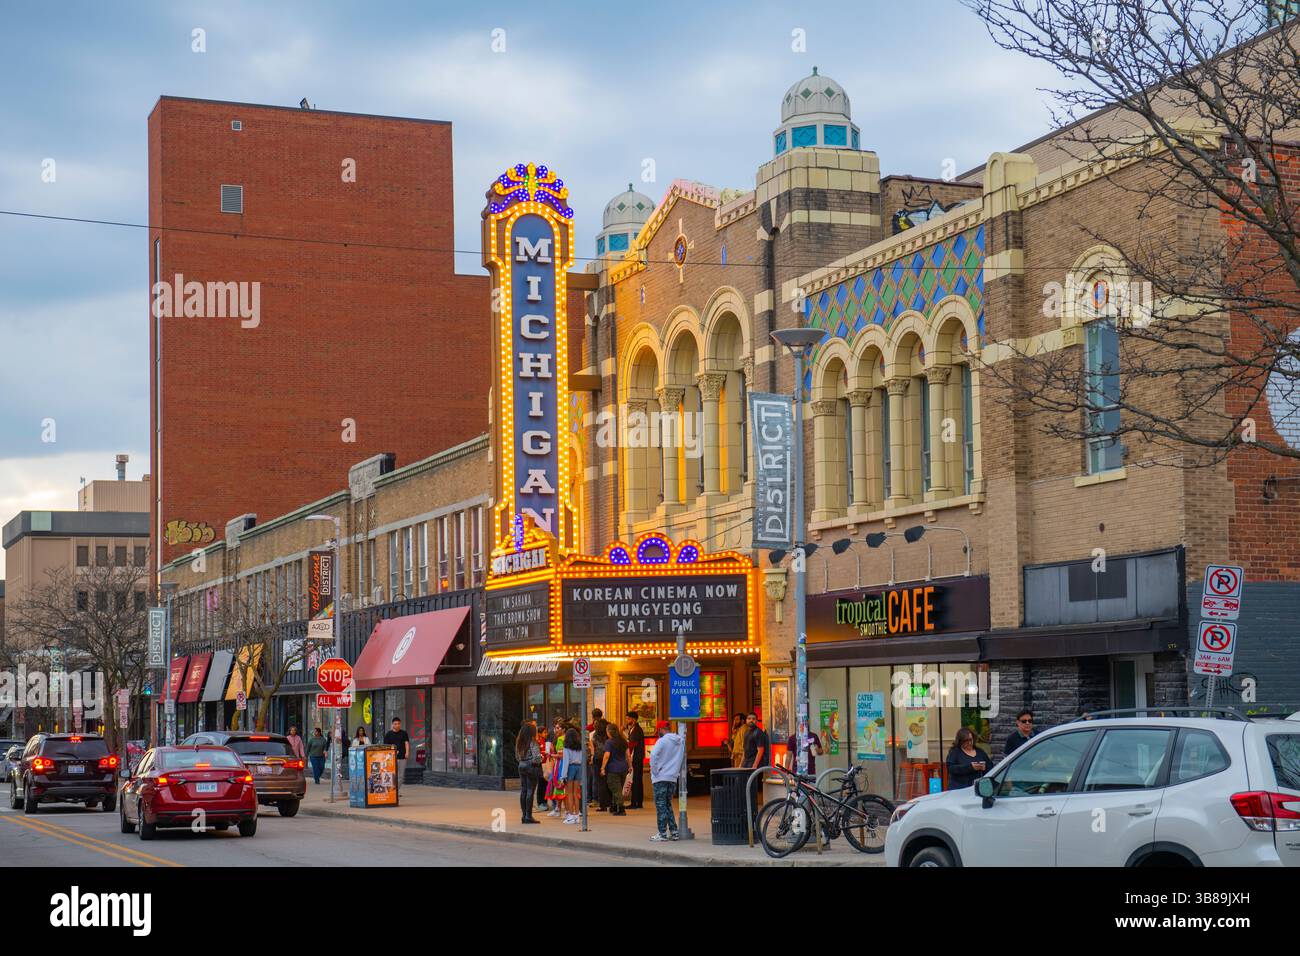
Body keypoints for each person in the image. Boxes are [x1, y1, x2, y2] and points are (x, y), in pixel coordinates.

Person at [649, 721, 685, 842]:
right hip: (672, 777)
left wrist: (655, 771)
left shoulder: (662, 741)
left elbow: (653, 755)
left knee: (660, 806)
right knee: (667, 805)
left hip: (660, 777)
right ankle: (674, 831)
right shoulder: (680, 741)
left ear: (660, 729)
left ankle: (662, 833)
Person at [515, 722, 542, 824]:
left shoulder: (519, 741)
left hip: (521, 765)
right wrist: (539, 759)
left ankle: (523, 815)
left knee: (524, 790)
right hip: (530, 766)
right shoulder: (532, 741)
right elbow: (537, 757)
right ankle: (529, 816)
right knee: (530, 790)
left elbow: (517, 757)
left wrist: (523, 761)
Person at [601, 722, 630, 816]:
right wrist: (630, 766)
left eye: (607, 731)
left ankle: (621, 809)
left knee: (615, 789)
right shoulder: (623, 741)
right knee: (618, 788)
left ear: (609, 732)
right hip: (623, 768)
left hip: (613, 768)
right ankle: (614, 806)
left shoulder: (609, 742)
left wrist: (602, 768)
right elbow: (628, 755)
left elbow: (606, 755)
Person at [561, 721, 584, 824]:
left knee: (569, 793)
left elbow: (565, 761)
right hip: (578, 768)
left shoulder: (566, 747)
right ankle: (577, 815)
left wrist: (563, 776)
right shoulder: (580, 746)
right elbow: (582, 760)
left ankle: (570, 816)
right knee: (576, 793)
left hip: (570, 768)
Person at [590, 715, 612, 811]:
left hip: (598, 759)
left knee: (600, 782)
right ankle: (610, 802)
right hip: (608, 758)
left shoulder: (595, 735)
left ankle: (603, 804)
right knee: (608, 781)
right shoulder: (608, 736)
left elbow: (593, 748)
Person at [625, 711, 646, 809]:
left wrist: (627, 756)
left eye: (628, 718)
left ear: (633, 719)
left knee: (636, 780)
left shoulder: (637, 730)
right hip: (636, 758)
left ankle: (636, 802)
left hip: (636, 758)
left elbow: (632, 744)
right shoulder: (632, 729)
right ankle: (637, 802)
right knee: (636, 779)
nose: (627, 720)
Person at [384, 718, 411, 795]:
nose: (397, 725)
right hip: (391, 758)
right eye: (395, 724)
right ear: (392, 724)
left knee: (401, 776)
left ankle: (395, 790)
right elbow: (386, 747)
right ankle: (392, 791)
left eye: (398, 724)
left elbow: (406, 743)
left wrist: (407, 752)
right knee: (392, 775)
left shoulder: (404, 733)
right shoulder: (388, 734)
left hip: (402, 757)